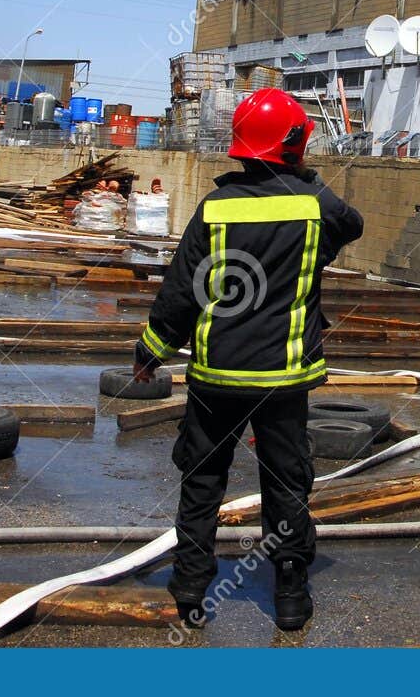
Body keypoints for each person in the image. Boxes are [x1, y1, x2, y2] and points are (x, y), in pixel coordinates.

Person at [133, 89, 363, 632]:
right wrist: (307, 185)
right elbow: (349, 224)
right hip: (283, 379)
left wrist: (151, 351)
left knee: (202, 478)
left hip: (216, 374)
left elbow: (181, 291)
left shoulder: (215, 207)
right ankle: (289, 596)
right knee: (286, 483)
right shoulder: (316, 206)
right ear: (294, 144)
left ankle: (190, 589)